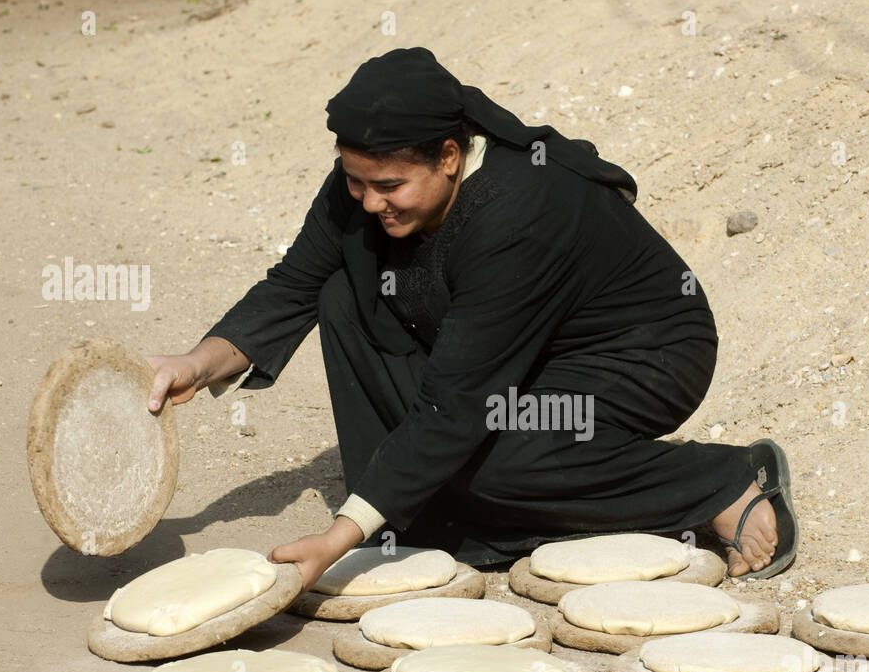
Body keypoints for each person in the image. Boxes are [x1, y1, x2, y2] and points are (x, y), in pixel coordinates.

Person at [146, 47, 796, 591]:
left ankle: (723, 481)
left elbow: (456, 405)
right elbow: (294, 284)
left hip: (640, 355)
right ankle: (420, 517)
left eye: (390, 187)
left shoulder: (519, 211)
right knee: (344, 294)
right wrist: (196, 364)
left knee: (492, 464)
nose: (371, 202)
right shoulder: (373, 173)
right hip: (506, 353)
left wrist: (338, 537)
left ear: (450, 157)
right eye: (355, 182)